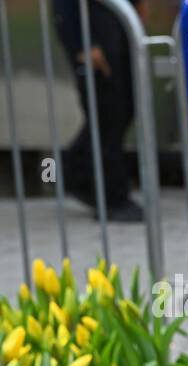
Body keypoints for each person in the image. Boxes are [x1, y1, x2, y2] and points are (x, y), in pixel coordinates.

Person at [53, 0, 148, 222]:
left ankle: (74, 168)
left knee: (124, 107)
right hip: (92, 31)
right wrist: (79, 44)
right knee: (108, 112)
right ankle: (112, 197)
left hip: (115, 24)